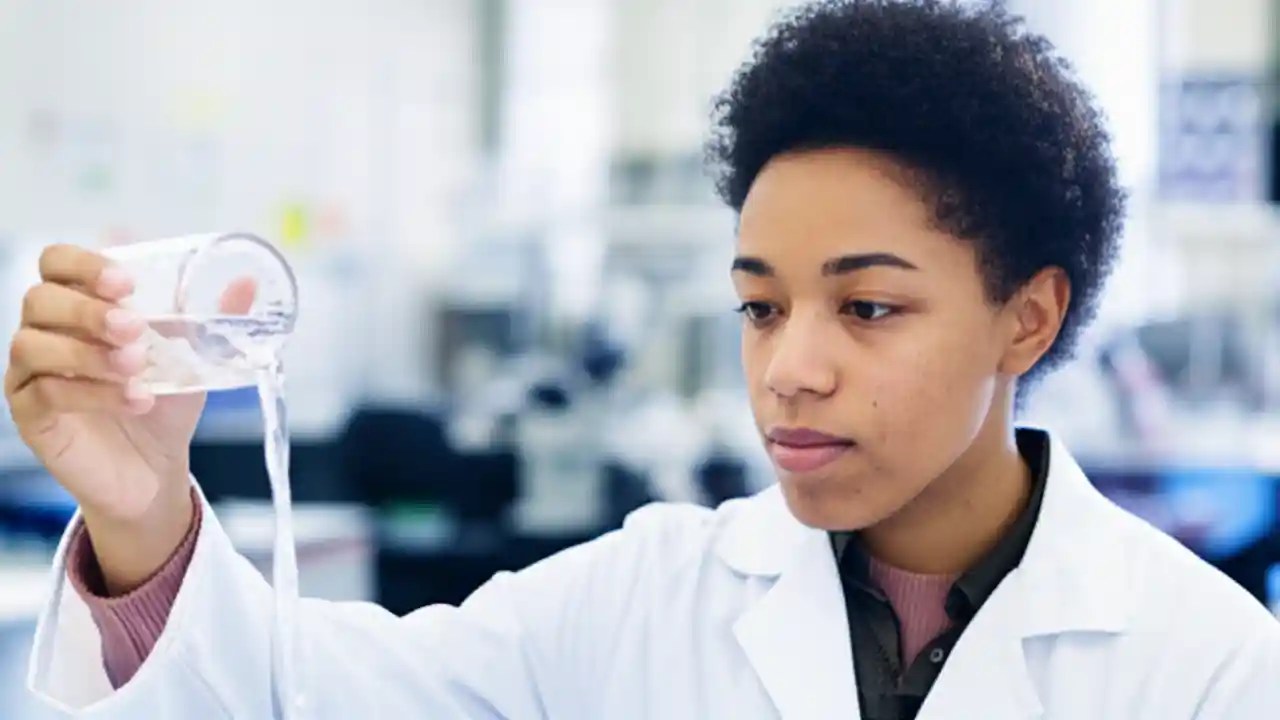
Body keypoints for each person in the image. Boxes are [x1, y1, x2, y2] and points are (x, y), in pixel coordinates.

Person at [12, 2, 1279, 718]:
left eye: (869, 310)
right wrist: (142, 516)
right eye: (759, 308)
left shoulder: (1206, 665)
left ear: (1027, 317)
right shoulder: (644, 595)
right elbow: (311, 699)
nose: (789, 367)